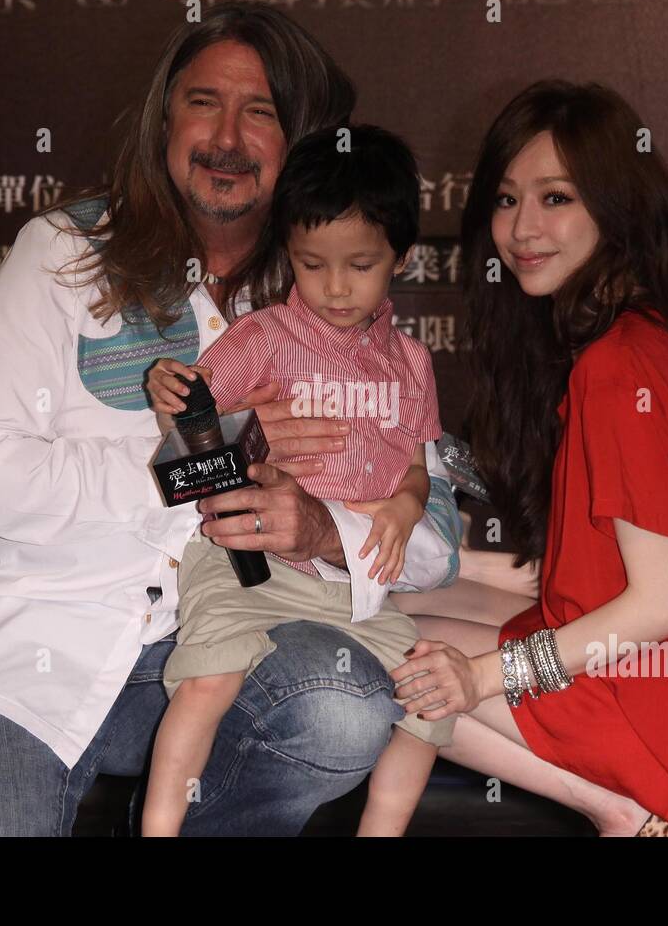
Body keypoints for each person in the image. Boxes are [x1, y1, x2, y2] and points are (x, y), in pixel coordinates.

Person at [0, 1, 462, 837]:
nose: (226, 137)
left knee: (340, 705)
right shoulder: (62, 254)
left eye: (260, 111)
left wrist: (320, 530)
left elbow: (438, 539)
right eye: (203, 103)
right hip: (21, 642)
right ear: (165, 118)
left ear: (301, 140)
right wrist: (210, 452)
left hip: (228, 640)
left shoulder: (337, 302)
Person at [388, 80, 668, 836]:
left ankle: (643, 814)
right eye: (507, 199)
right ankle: (635, 815)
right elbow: (598, 573)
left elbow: (657, 605)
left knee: (385, 644)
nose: (522, 228)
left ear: (615, 206)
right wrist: (422, 561)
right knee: (395, 605)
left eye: (557, 199)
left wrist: (482, 677)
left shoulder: (618, 368)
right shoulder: (657, 332)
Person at [141, 125, 453, 837]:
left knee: (433, 695)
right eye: (313, 265)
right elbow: (191, 428)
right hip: (243, 555)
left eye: (361, 265)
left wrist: (408, 503)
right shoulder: (266, 336)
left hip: (348, 583)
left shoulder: (409, 362)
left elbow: (415, 461)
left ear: (400, 257)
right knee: (209, 676)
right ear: (289, 255)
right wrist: (172, 388)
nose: (336, 288)